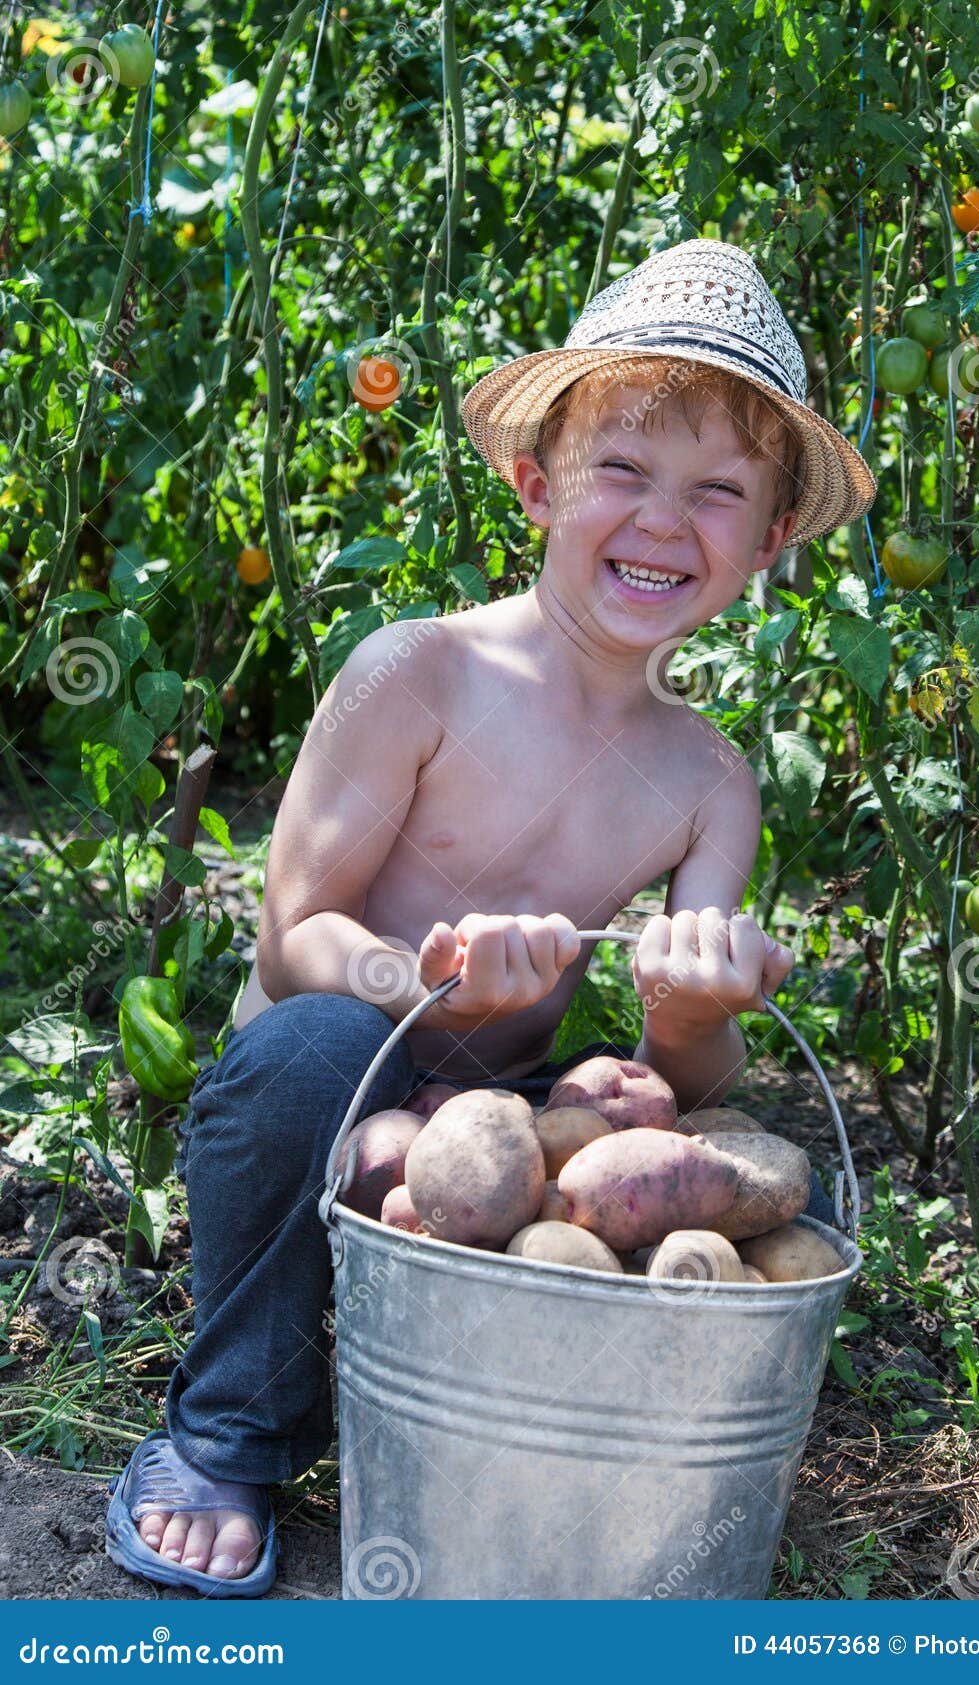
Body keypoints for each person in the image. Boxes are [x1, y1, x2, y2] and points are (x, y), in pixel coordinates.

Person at [104, 238, 876, 1596]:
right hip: (325, 1069)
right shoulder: (420, 672)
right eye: (621, 472)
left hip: (500, 1112)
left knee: (662, 1143)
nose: (660, 522)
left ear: (765, 545)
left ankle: (540, 1434)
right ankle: (230, 1429)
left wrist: (689, 1012)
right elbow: (295, 939)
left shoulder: (708, 780)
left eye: (715, 495)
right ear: (537, 486)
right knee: (311, 1057)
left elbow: (690, 1080)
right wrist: (423, 979)